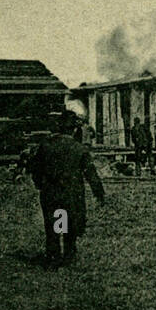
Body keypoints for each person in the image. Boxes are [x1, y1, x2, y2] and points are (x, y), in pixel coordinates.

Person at [29, 112, 105, 268]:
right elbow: (91, 173)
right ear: (73, 130)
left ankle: (54, 257)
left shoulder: (46, 146)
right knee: (70, 224)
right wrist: (99, 193)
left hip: (51, 192)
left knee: (56, 223)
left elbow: (35, 168)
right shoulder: (79, 149)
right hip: (72, 193)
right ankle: (68, 257)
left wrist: (39, 184)